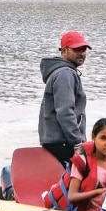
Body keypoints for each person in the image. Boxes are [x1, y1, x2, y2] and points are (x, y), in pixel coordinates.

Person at [38, 30, 90, 165]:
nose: (82, 53)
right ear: (64, 51)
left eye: (84, 49)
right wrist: (77, 143)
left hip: (56, 142)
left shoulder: (62, 72)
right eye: (77, 49)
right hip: (63, 143)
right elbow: (65, 112)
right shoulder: (65, 74)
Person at [65, 118, 106, 211]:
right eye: (103, 138)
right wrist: (98, 191)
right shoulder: (82, 161)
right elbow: (72, 196)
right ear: (93, 137)